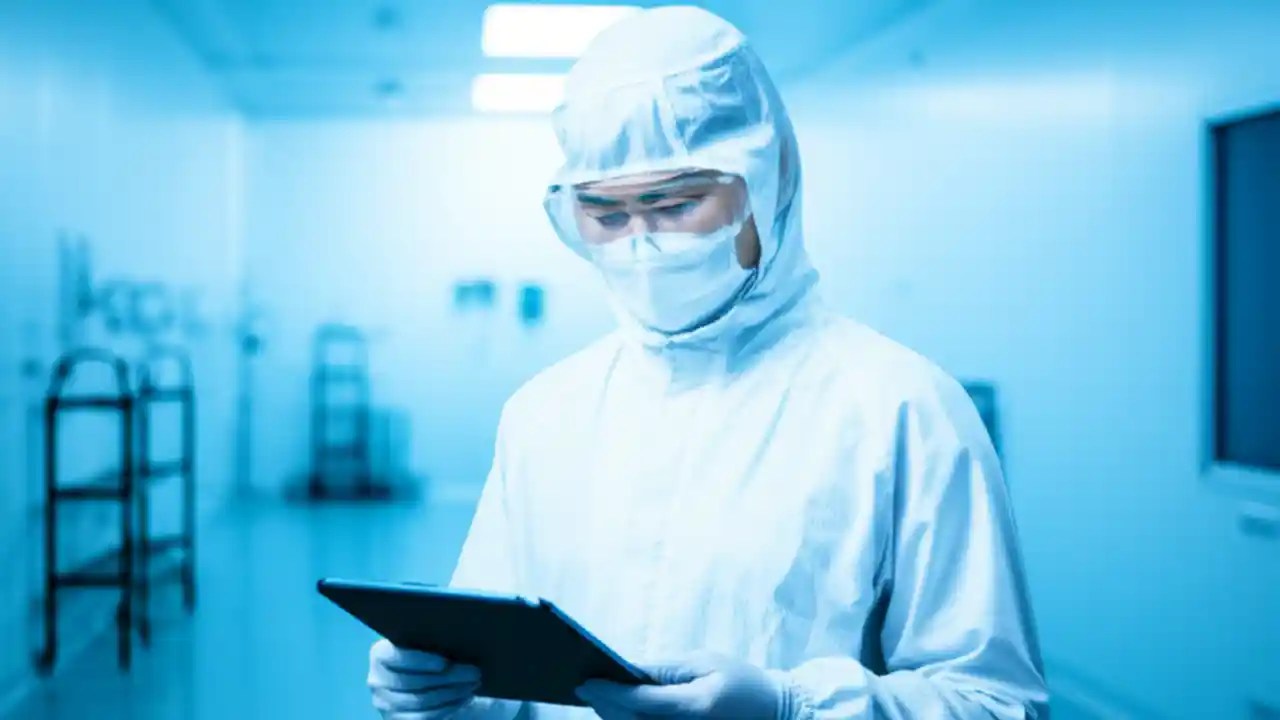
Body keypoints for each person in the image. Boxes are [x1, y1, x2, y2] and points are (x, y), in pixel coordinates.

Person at [367, 6, 1048, 719]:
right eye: (606, 212)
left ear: (769, 180)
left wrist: (792, 708)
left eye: (675, 203)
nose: (640, 242)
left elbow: (997, 703)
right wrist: (440, 694)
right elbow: (503, 673)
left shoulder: (901, 408)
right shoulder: (545, 411)